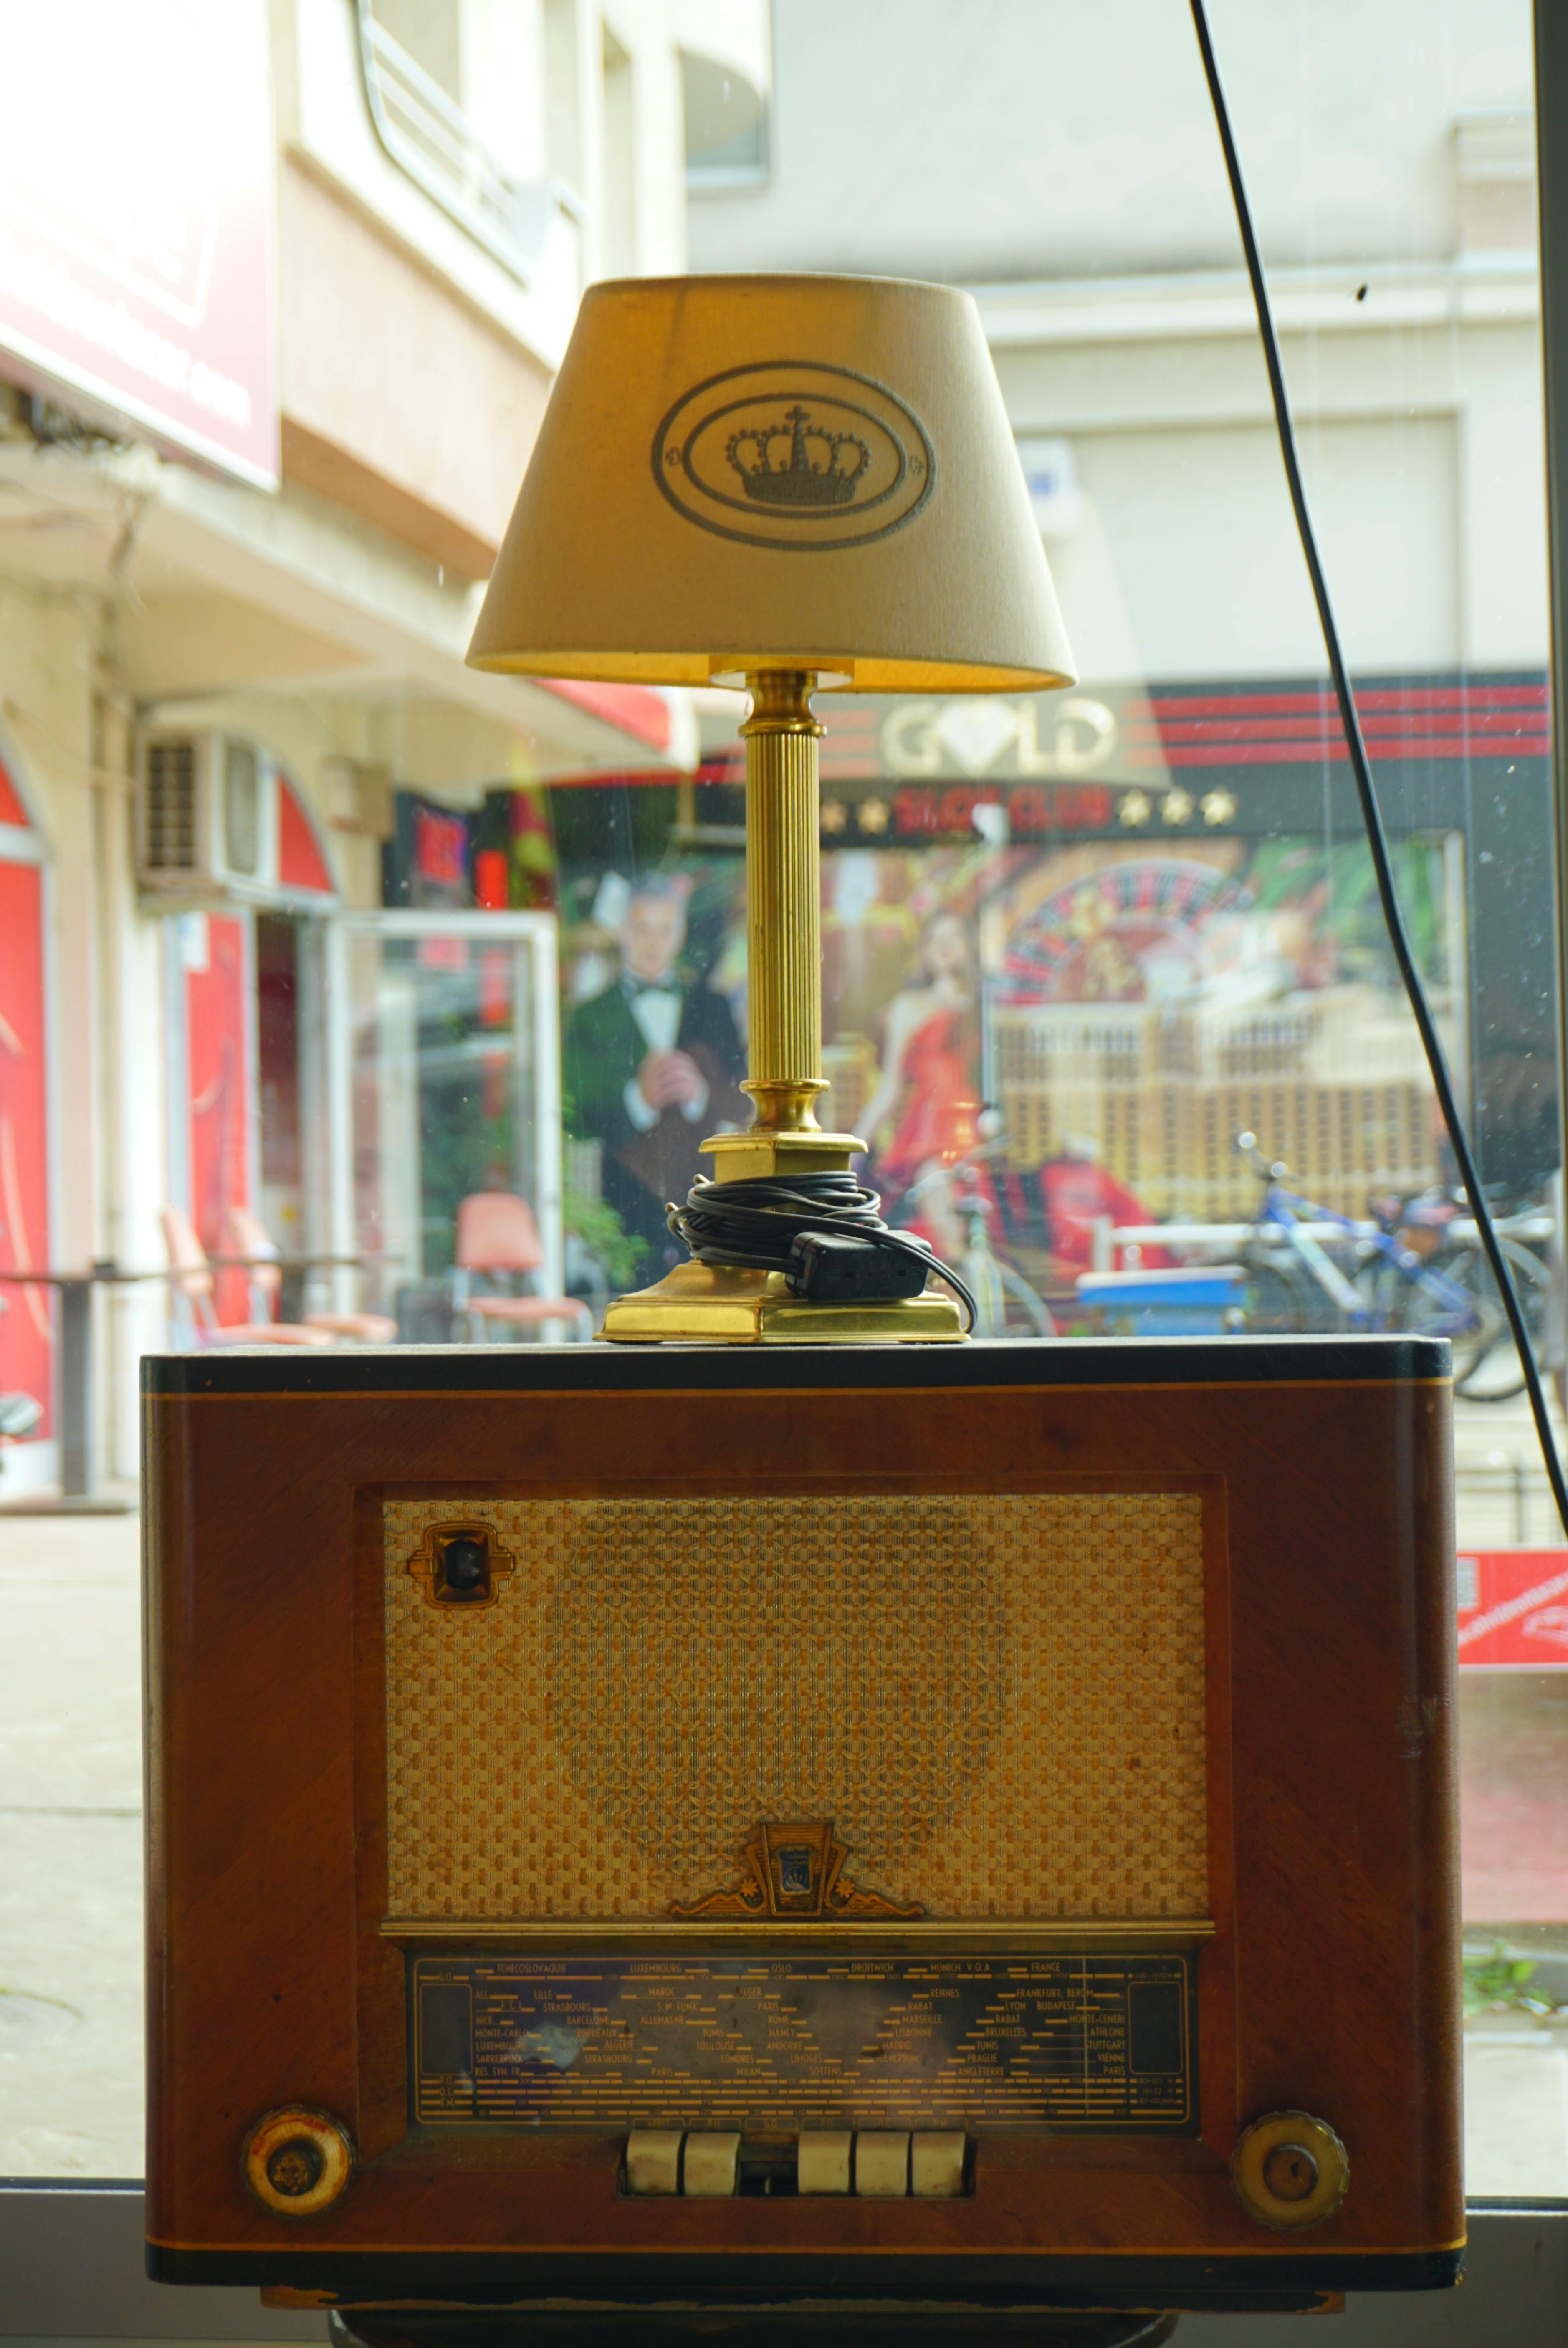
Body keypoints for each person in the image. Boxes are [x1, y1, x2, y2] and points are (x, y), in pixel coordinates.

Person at [566, 875, 746, 1269]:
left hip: (708, 1201)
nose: (653, 942)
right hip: (620, 1199)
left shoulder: (713, 1007)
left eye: (665, 928)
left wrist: (701, 1093)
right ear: (623, 933)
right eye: (642, 928)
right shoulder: (589, 1015)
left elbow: (746, 1098)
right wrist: (638, 1100)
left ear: (680, 933)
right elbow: (574, 1113)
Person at [861, 910, 983, 1208]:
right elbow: (890, 1086)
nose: (944, 945)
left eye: (953, 937)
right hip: (929, 1125)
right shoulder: (909, 1006)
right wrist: (855, 1148)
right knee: (933, 1185)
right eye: (934, 939)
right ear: (924, 950)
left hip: (970, 1124)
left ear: (968, 945)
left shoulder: (980, 1005)